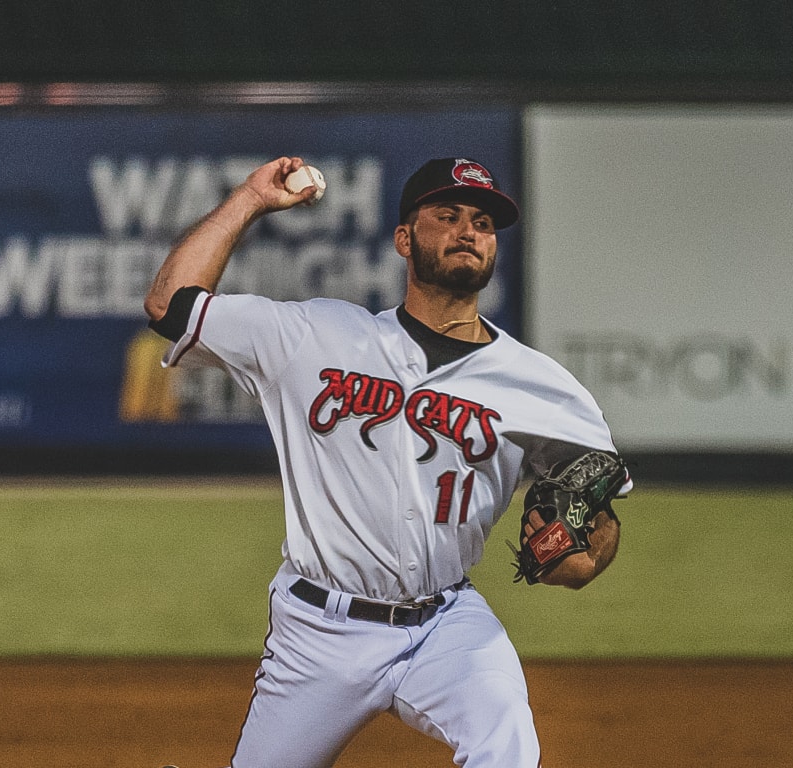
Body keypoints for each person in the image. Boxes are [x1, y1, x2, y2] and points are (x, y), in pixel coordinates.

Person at [144, 156, 631, 768]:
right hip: (320, 632)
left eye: (483, 222)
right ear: (405, 238)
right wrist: (247, 199)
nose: (467, 232)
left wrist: (592, 554)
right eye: (447, 215)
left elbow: (598, 504)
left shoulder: (539, 384)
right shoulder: (313, 337)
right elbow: (170, 305)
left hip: (446, 624)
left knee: (506, 747)